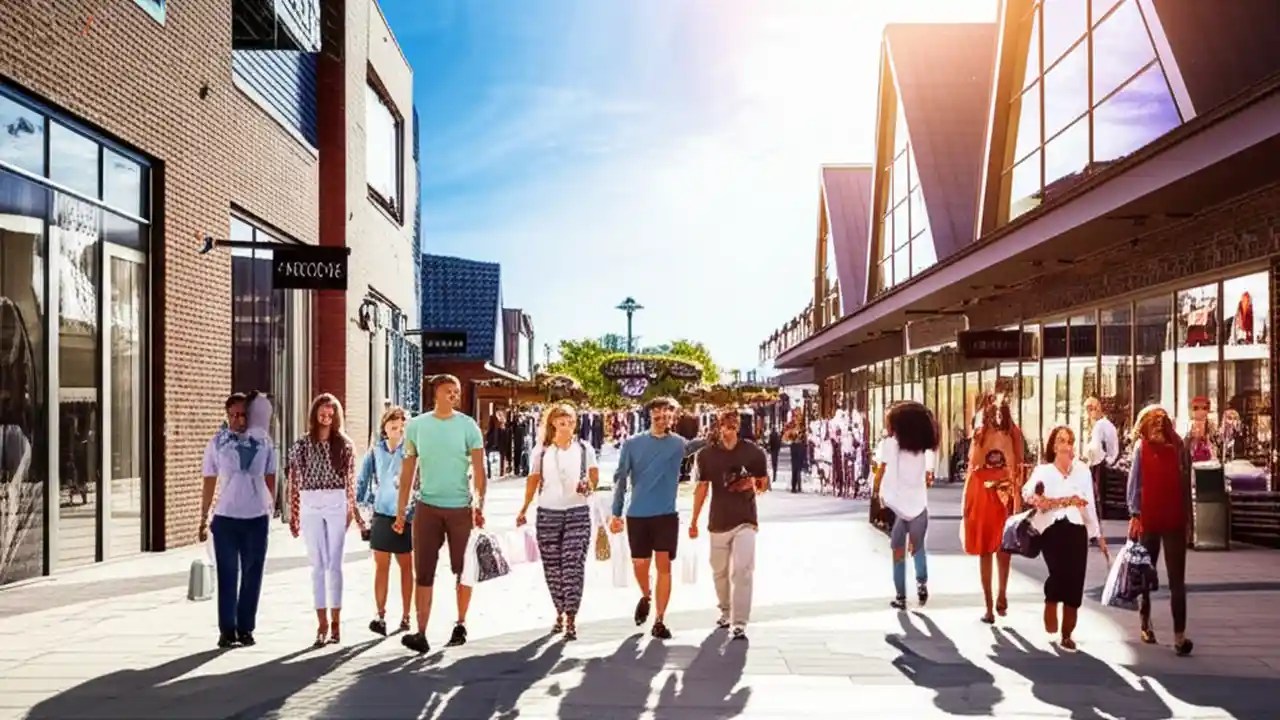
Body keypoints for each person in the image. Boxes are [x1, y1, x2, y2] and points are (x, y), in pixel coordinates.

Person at [395, 374, 487, 654]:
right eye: (449, 391)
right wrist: (401, 512)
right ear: (436, 393)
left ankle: (460, 623)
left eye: (457, 392)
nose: (454, 395)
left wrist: (480, 504)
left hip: (460, 507)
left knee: (464, 569)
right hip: (427, 508)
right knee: (423, 570)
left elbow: (480, 471)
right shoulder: (417, 427)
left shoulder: (468, 426)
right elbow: (409, 471)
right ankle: (420, 633)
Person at [610, 396, 705, 639]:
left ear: (673, 417)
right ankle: (646, 595)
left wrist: (718, 435)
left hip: (666, 515)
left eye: (667, 416)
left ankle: (660, 620)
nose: (662, 420)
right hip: (638, 515)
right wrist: (616, 513)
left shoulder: (677, 444)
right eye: (657, 416)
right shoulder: (632, 444)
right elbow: (621, 479)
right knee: (640, 564)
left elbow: (696, 446)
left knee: (664, 565)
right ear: (650, 417)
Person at [199, 392, 276, 649]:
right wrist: (203, 516)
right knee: (228, 574)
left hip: (256, 518)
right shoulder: (218, 443)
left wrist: (270, 507)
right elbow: (209, 479)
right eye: (233, 415)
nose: (239, 420)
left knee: (253, 574)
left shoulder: (264, 442)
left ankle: (246, 628)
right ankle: (227, 630)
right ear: (227, 416)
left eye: (243, 414)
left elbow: (270, 475)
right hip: (226, 518)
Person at [516, 403, 599, 640]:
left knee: (573, 565)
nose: (567, 426)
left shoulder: (584, 448)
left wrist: (588, 486)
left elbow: (593, 475)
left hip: (578, 511)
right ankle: (559, 612)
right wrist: (524, 508)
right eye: (562, 421)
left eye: (571, 421)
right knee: (553, 567)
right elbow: (532, 481)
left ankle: (571, 616)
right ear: (553, 423)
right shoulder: (541, 452)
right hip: (548, 512)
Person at [289, 393, 366, 647]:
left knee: (335, 563)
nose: (327, 417)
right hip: (310, 500)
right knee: (317, 566)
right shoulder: (300, 445)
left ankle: (336, 623)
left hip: (336, 500)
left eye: (331, 414)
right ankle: (321, 623)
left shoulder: (344, 444)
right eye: (323, 412)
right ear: (314, 413)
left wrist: (352, 512)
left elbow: (350, 481)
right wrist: (294, 515)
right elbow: (294, 481)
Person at [1025, 426, 1109, 651]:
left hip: (1076, 527)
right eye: (1062, 440)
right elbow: (1028, 492)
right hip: (1052, 527)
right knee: (1059, 573)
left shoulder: (1082, 470)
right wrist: (1037, 498)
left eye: (1070, 441)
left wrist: (1097, 534)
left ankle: (1067, 633)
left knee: (1075, 579)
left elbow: (1090, 503)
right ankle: (1051, 600)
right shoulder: (1044, 471)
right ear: (1054, 446)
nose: (1066, 445)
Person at [688, 408, 768, 640]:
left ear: (739, 427)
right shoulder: (706, 456)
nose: (729, 430)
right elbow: (702, 488)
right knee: (719, 570)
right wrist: (693, 520)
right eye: (725, 425)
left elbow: (763, 484)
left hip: (746, 520)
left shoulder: (754, 453)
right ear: (718, 426)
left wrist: (751, 484)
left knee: (743, 570)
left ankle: (740, 621)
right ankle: (725, 610)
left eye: (733, 426)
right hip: (718, 521)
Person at [1127, 405, 1194, 656]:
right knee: (1178, 581)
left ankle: (1146, 624)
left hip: (1149, 518)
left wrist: (1134, 514)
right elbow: (1186, 484)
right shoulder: (1179, 445)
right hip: (1175, 519)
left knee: (1146, 573)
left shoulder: (1141, 448)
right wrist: (1188, 520)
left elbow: (1134, 485)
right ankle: (1180, 636)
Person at [961, 398, 1024, 624]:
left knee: (990, 550)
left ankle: (993, 603)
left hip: (988, 494)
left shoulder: (992, 435)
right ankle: (997, 597)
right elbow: (1013, 468)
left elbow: (976, 465)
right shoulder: (1005, 435)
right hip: (996, 493)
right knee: (997, 549)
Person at [356, 405, 414, 636]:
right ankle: (380, 615)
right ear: (384, 428)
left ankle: (407, 616)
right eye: (393, 427)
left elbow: (418, 481)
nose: (398, 432)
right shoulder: (375, 451)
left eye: (402, 428)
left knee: (406, 566)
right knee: (381, 566)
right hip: (380, 513)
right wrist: (360, 510)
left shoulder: (410, 452)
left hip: (405, 515)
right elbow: (363, 480)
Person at [873, 401, 938, 611]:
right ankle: (922, 584)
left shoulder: (890, 445)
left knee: (898, 550)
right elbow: (928, 477)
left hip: (897, 507)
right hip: (919, 506)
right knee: (918, 548)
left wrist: (875, 492)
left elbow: (881, 470)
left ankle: (900, 595)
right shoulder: (921, 449)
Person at [1083, 397, 1120, 507]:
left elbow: (1095, 447)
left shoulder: (1100, 425)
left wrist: (1087, 459)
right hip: (1104, 460)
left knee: (1096, 492)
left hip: (1099, 462)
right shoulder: (1105, 424)